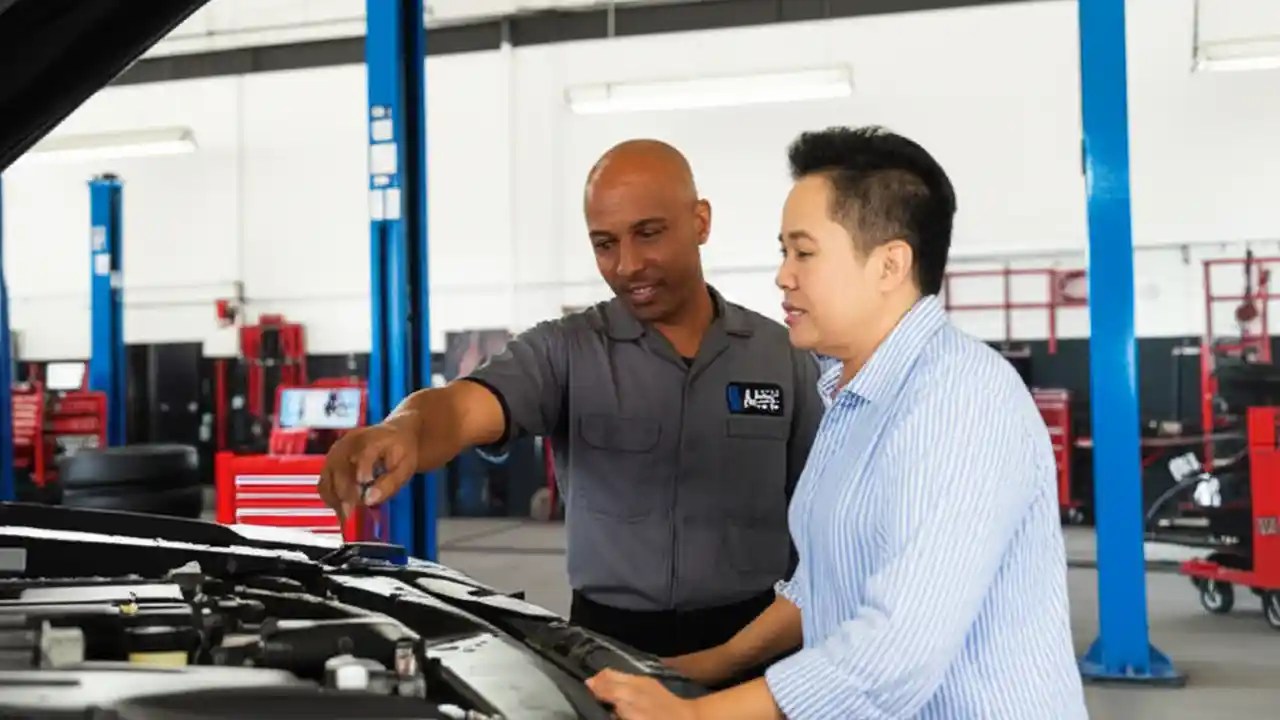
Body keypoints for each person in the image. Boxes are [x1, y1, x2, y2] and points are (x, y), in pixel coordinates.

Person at [586, 126, 1088, 719]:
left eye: (804, 252)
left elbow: (895, 649)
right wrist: (705, 667)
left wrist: (698, 716)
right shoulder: (850, 394)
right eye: (783, 252)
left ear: (889, 265)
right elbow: (822, 583)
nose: (783, 275)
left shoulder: (959, 400)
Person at [318, 138, 823, 665]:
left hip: (753, 648)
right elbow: (463, 408)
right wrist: (404, 430)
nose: (627, 265)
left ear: (700, 222)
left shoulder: (782, 357)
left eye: (648, 234)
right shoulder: (566, 351)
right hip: (610, 649)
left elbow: (823, 517)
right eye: (605, 244)